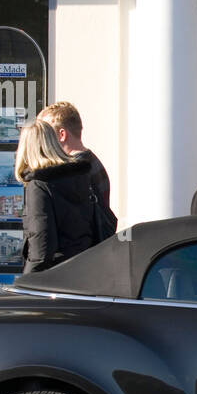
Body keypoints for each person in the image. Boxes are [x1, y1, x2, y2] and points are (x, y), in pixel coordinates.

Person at [16, 119, 96, 273]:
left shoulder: (39, 185)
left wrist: (25, 283)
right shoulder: (81, 176)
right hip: (85, 270)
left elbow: (41, 248)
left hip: (57, 278)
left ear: (25, 149)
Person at [39, 101, 115, 237]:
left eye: (46, 134)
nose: (42, 141)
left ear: (62, 135)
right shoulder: (92, 162)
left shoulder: (73, 173)